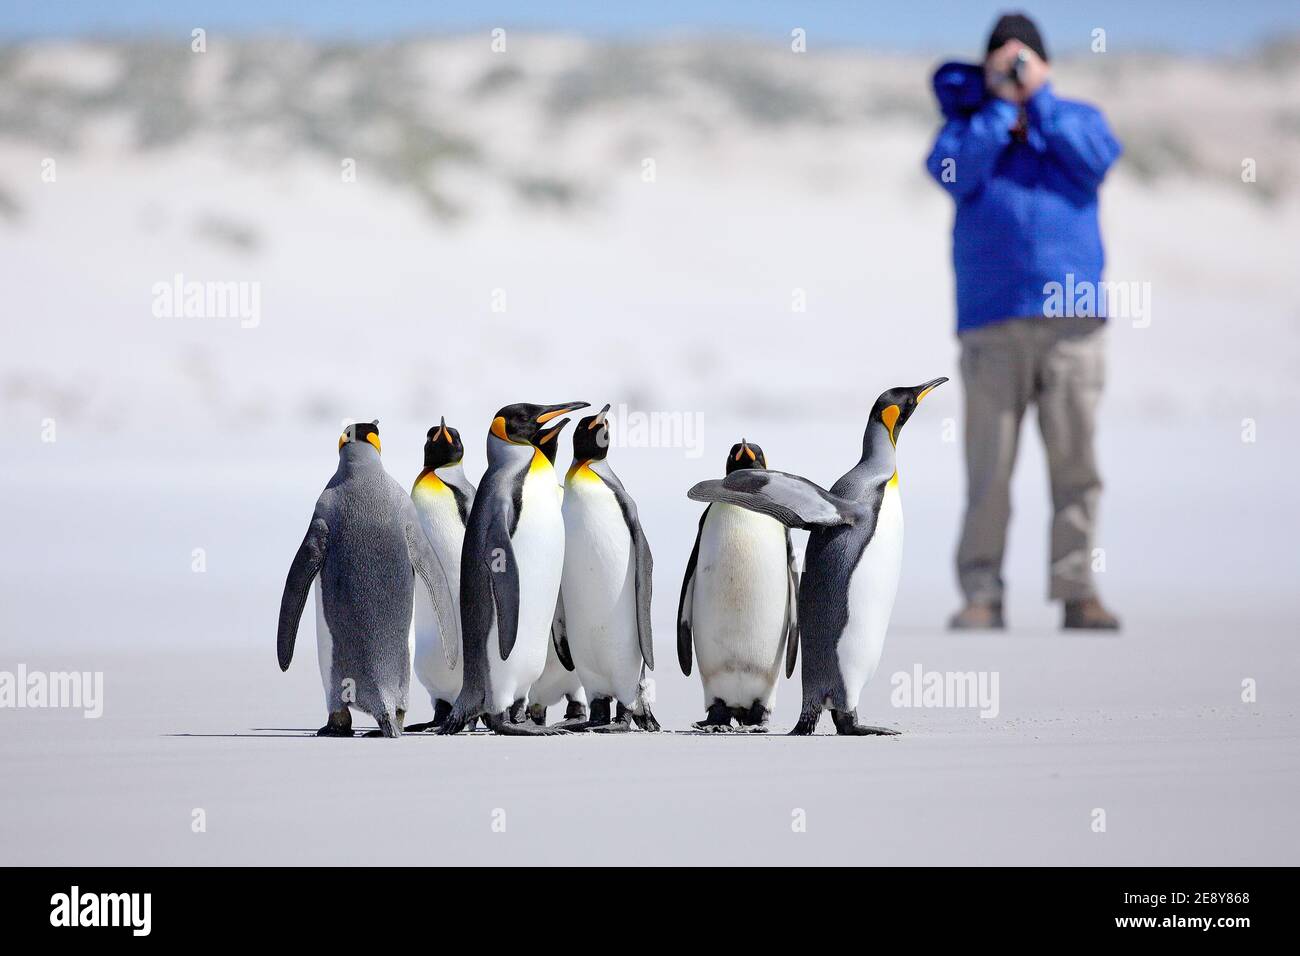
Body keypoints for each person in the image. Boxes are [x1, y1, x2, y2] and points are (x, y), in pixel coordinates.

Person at [925, 13, 1123, 630]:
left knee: (1077, 468)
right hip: (991, 323)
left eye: (1023, 60)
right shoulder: (965, 129)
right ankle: (981, 594)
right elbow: (949, 174)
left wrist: (1040, 98)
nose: (1013, 71)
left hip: (1072, 323)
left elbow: (1096, 161)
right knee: (988, 472)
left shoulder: (1076, 119)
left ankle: (1078, 591)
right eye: (1002, 63)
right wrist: (994, 109)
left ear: (1044, 63)